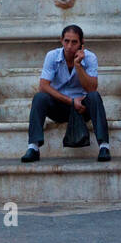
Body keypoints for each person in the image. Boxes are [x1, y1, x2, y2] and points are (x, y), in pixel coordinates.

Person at [22, 25, 110, 163]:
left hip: (82, 108)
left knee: (94, 97)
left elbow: (92, 88)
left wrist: (78, 65)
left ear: (81, 43)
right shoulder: (52, 56)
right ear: (61, 40)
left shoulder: (90, 57)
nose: (69, 46)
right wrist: (71, 101)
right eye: (66, 41)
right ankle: (33, 147)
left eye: (74, 42)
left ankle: (104, 146)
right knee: (40, 98)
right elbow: (43, 86)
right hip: (61, 106)